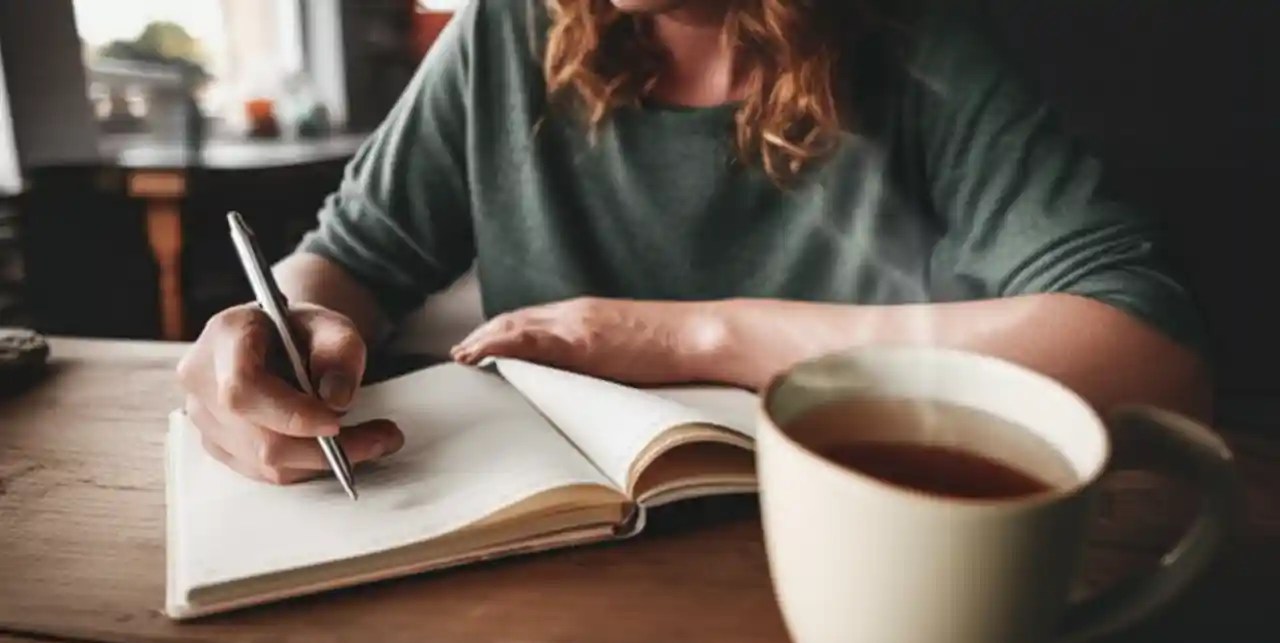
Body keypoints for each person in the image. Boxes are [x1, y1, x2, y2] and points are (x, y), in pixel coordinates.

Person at [178, 0, 1210, 485]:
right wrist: (288, 328)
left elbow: (1143, 355)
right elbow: (355, 258)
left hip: (856, 546)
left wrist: (690, 339)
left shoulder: (916, 43)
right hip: (543, 564)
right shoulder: (506, 30)